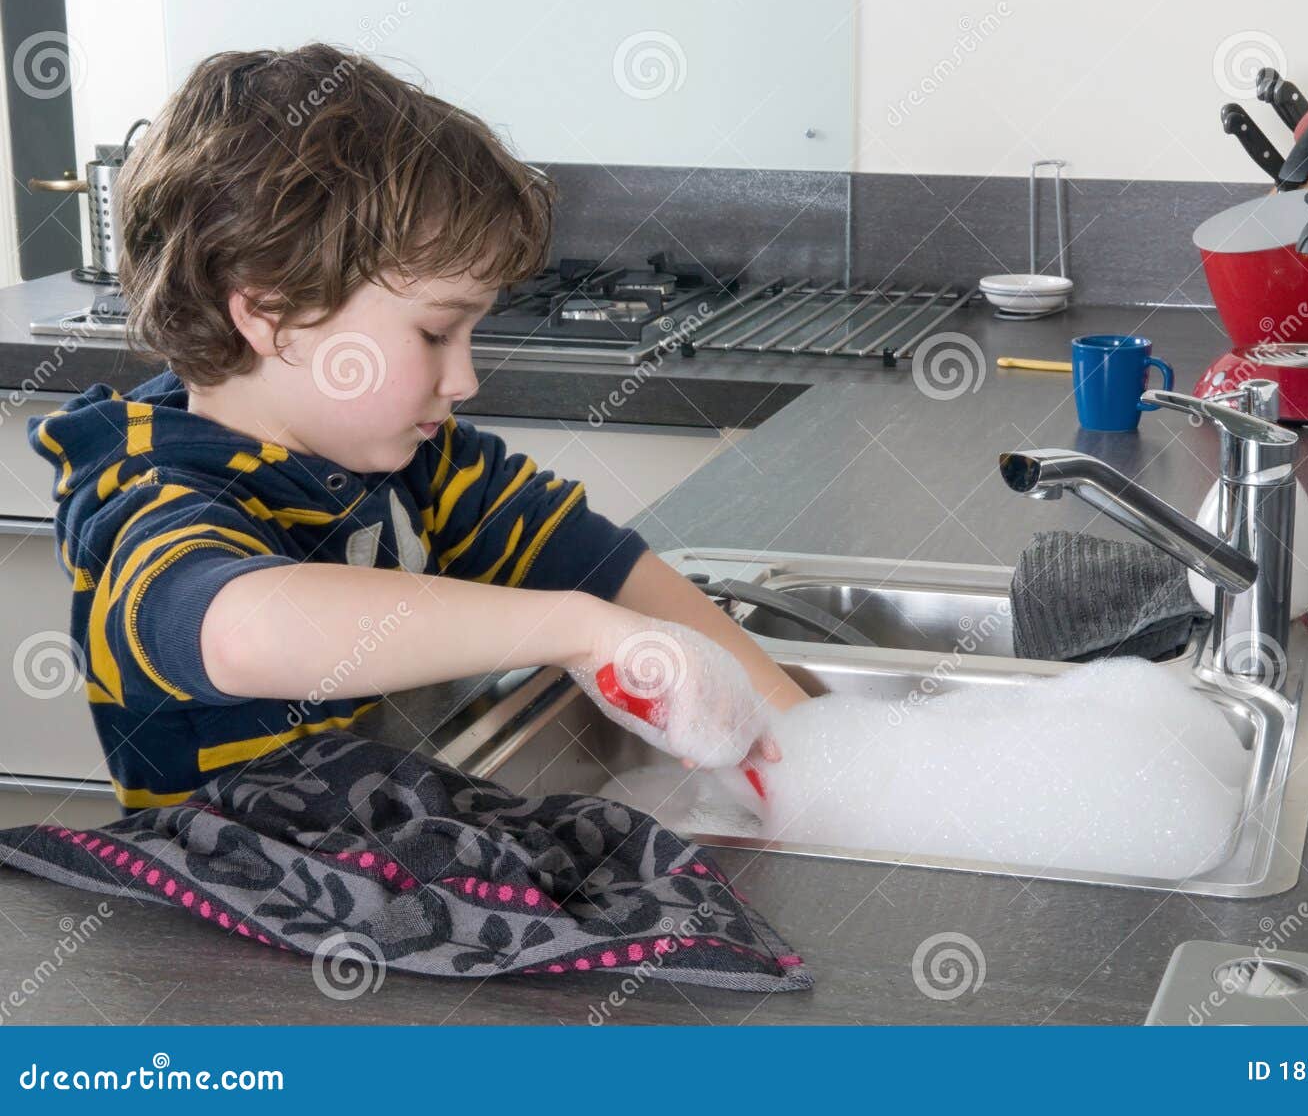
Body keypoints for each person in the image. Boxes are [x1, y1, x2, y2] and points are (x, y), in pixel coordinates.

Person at [29, 43, 802, 813]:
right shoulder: (146, 496)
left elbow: (598, 563)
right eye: (435, 334)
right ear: (270, 314)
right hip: (233, 916)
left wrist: (792, 735)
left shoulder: (417, 462)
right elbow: (244, 632)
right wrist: (579, 630)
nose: (464, 379)